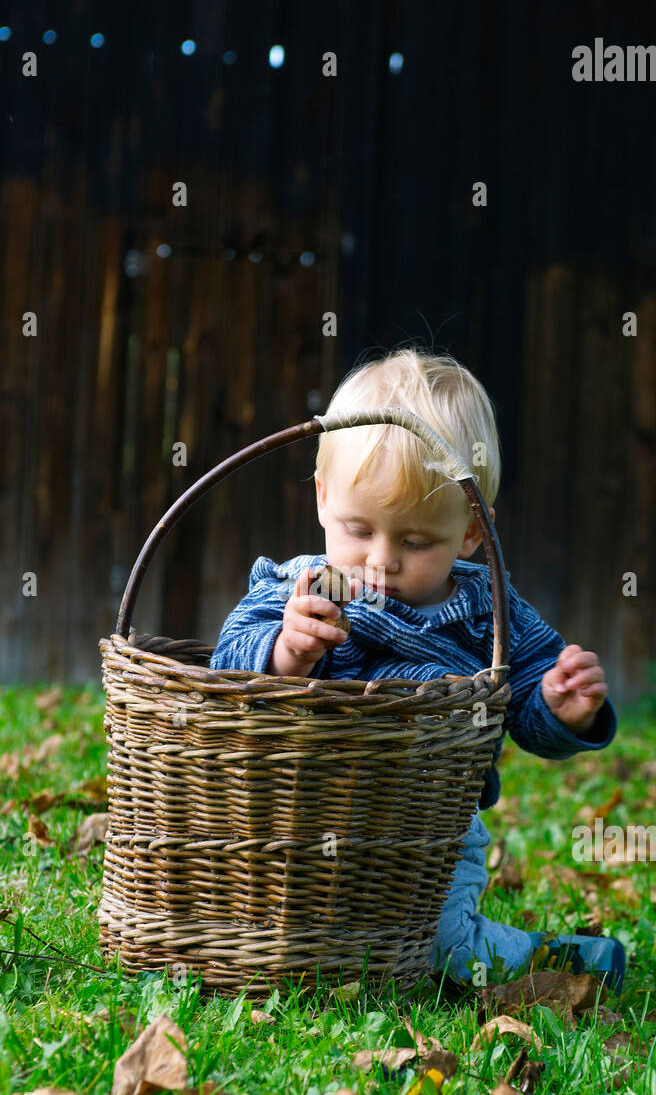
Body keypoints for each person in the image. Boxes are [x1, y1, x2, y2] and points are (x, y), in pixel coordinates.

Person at [209, 347, 626, 992]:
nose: (381, 561)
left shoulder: (487, 606)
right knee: (278, 928)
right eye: (358, 529)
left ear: (468, 535)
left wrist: (560, 705)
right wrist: (287, 651)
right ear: (322, 500)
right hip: (299, 814)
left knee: (440, 953)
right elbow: (228, 663)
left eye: (415, 542)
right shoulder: (302, 584)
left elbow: (527, 714)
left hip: (431, 827)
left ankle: (561, 960)